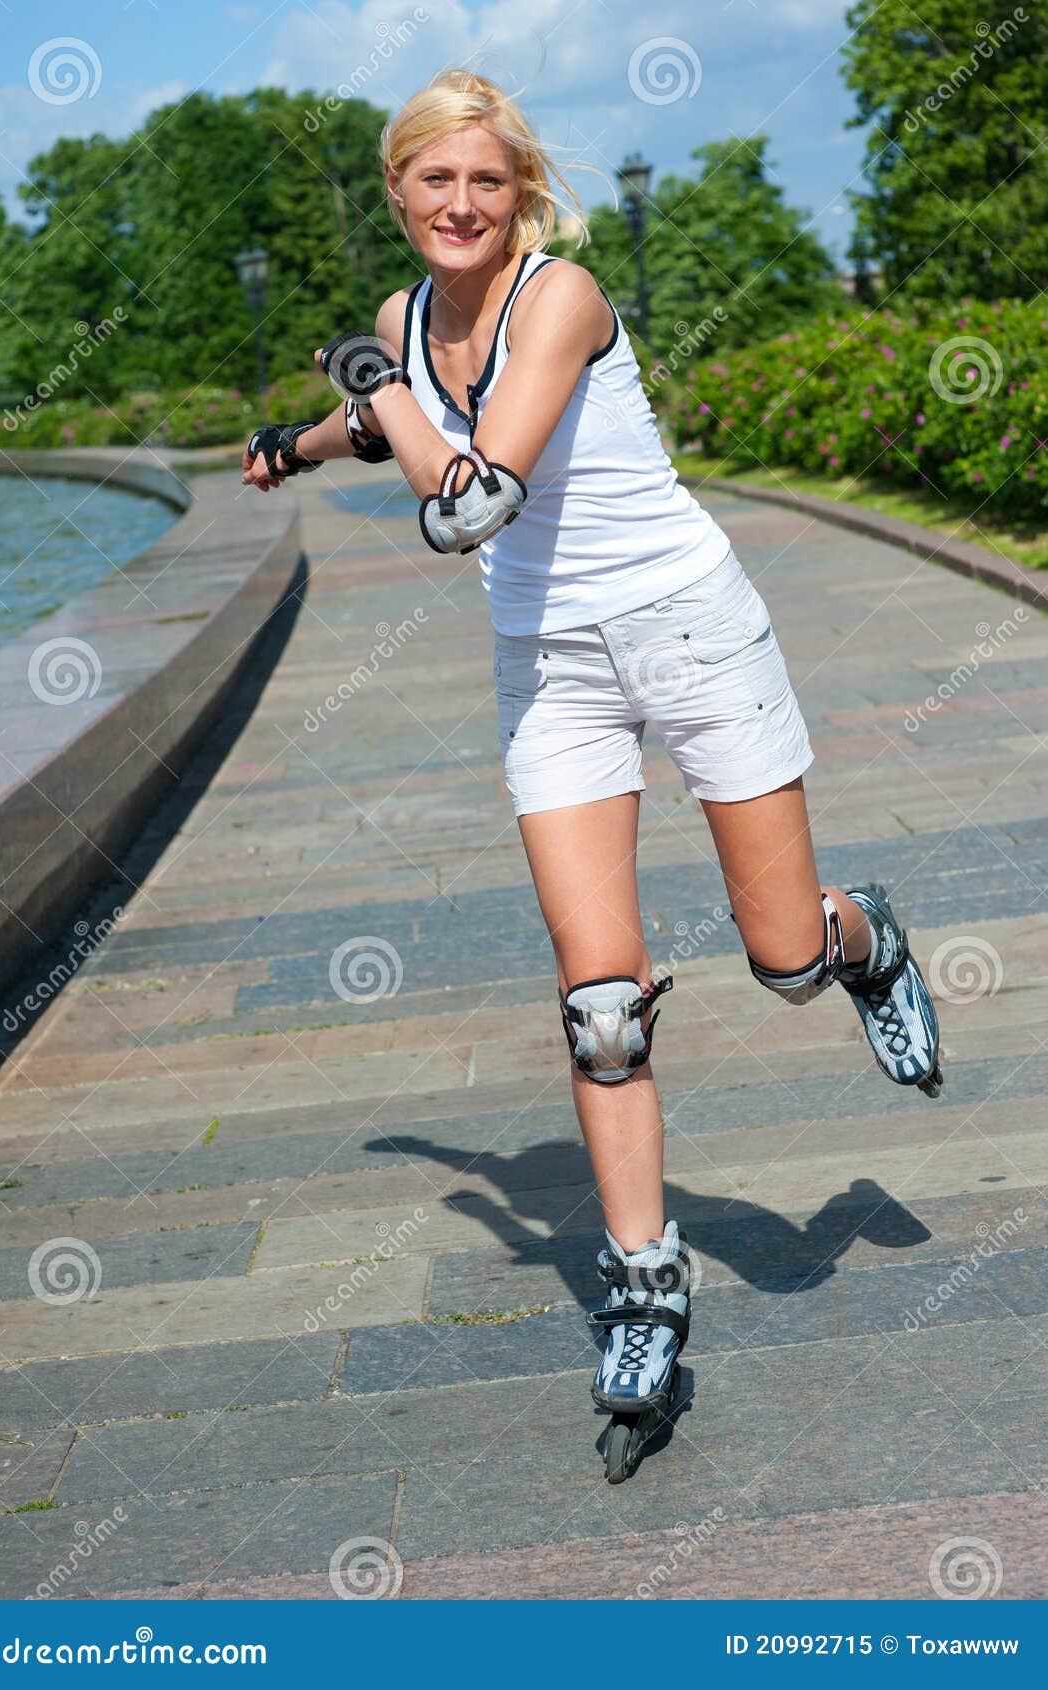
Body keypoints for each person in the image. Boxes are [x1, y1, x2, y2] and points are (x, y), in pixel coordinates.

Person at [241, 68, 942, 1480]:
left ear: (523, 195)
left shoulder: (559, 299)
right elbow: (392, 419)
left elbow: (468, 499)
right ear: (397, 193)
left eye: (485, 182)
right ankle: (643, 1287)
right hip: (547, 666)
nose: (459, 204)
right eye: (433, 181)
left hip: (687, 626)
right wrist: (303, 441)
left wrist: (370, 387)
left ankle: (860, 936)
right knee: (603, 1007)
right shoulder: (395, 325)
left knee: (780, 955)